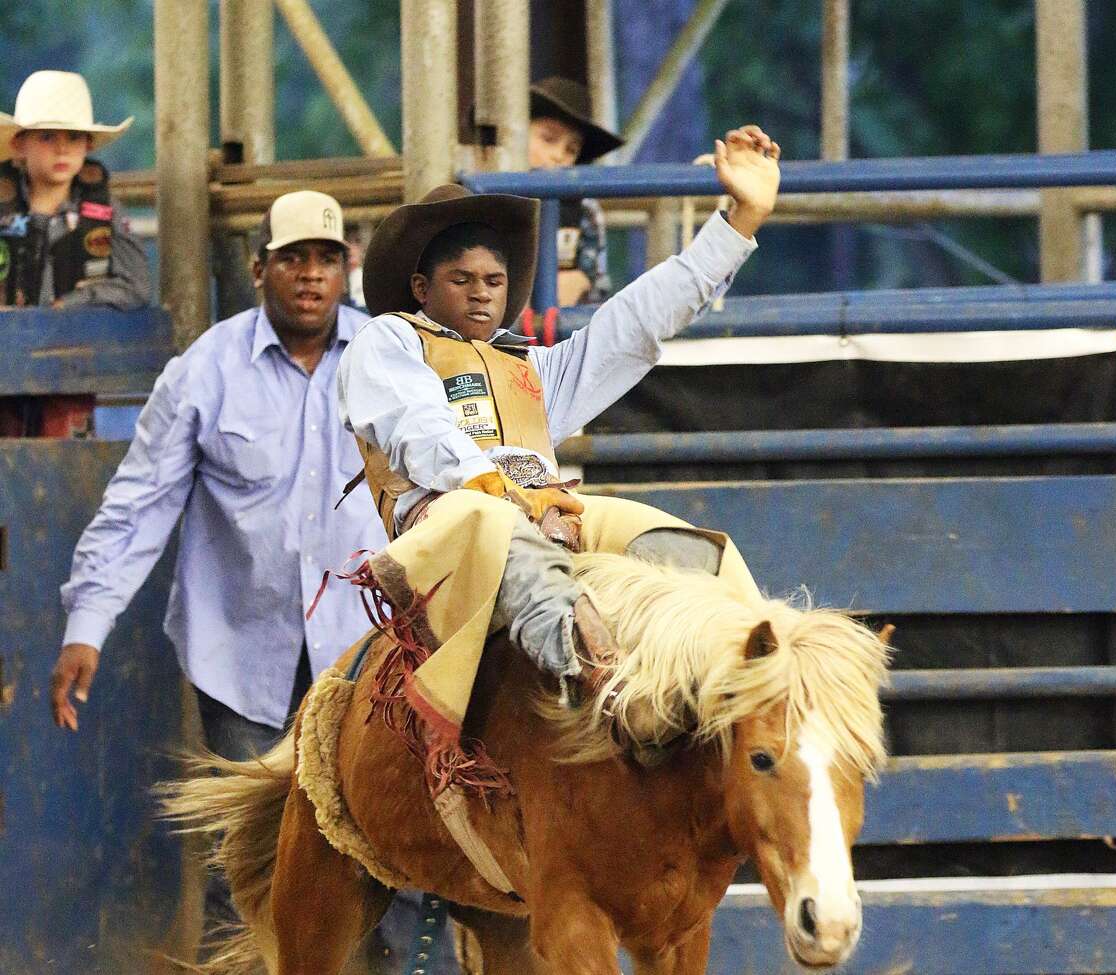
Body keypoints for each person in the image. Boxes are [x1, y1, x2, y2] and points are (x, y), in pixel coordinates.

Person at [49, 190, 454, 973]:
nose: (311, 276)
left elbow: (445, 486)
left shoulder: (393, 359)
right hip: (243, 653)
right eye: (295, 258)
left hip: (370, 648)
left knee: (392, 841)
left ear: (349, 270)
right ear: (258, 266)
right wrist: (86, 623)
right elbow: (141, 501)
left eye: (327, 260)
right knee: (257, 851)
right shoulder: (206, 370)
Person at [338, 125, 780, 746]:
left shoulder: (531, 368)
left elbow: (630, 326)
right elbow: (418, 429)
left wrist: (740, 220)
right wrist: (497, 487)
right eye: (461, 280)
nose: (482, 293)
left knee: (682, 544)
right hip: (449, 527)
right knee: (494, 526)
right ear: (421, 289)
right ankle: (607, 687)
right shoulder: (387, 340)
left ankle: (761, 679)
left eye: (493, 281)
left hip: (548, 513)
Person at [0, 70, 149, 310]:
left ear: (87, 145)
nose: (62, 149)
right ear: (19, 145)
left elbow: (136, 287)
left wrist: (73, 302)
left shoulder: (106, 210)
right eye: (47, 137)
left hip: (80, 343)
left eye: (73, 137)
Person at [527, 76, 623, 307]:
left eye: (571, 149)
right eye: (548, 139)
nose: (559, 155)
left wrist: (580, 281)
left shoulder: (584, 208)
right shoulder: (482, 195)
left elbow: (592, 288)